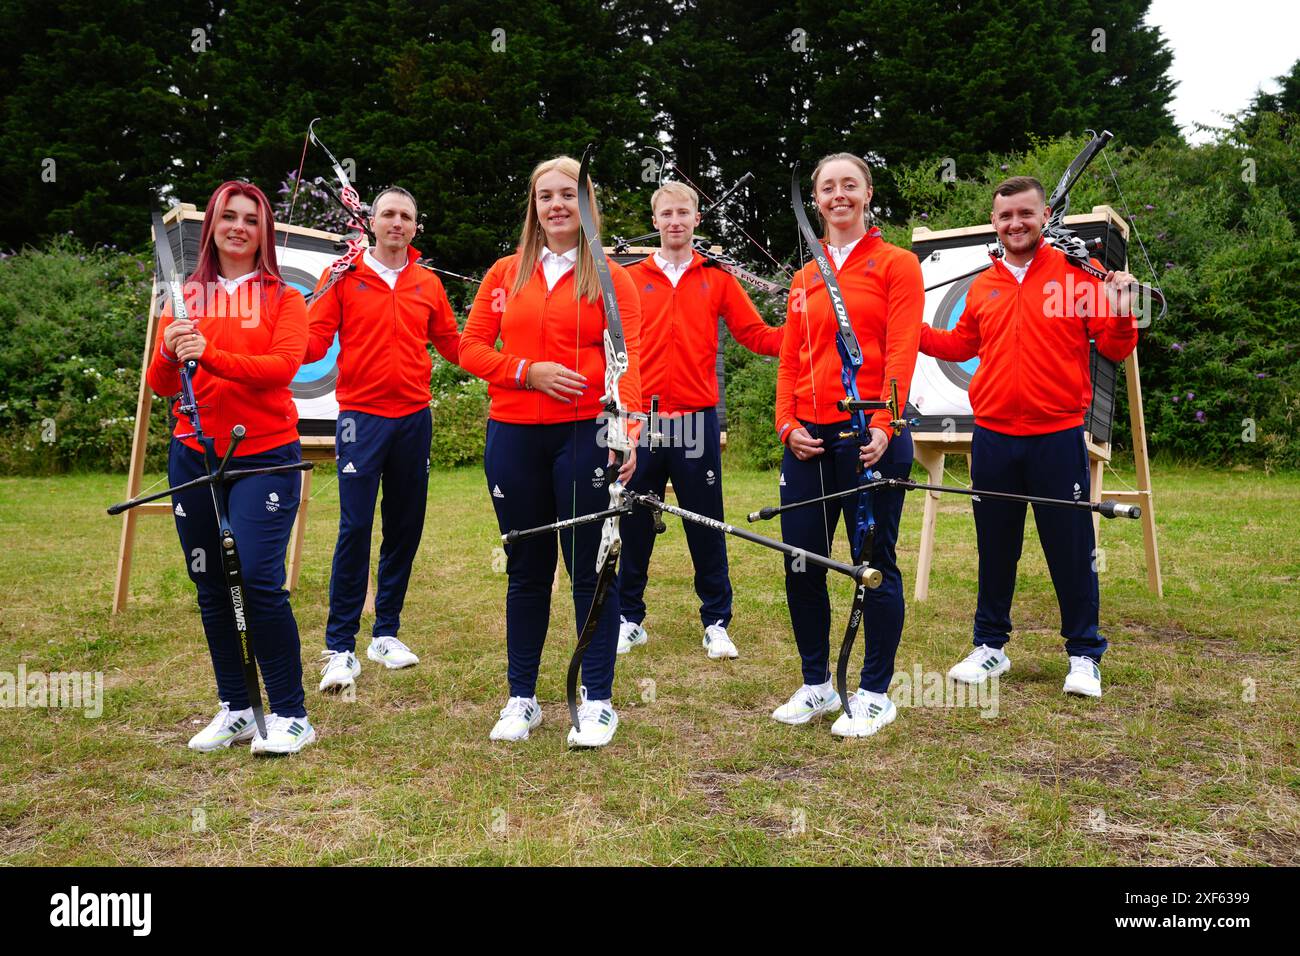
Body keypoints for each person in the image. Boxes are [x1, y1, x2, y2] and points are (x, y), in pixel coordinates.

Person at [921, 176, 1139, 699]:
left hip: (1057, 435)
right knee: (995, 547)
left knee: (1070, 547)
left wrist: (1126, 306)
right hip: (993, 436)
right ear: (995, 224)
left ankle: (1084, 654)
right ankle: (990, 646)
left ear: (1043, 218)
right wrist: (904, 325)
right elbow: (957, 344)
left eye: (1025, 214)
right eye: (1005, 216)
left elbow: (1113, 344)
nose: (1015, 223)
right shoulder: (983, 285)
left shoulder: (1075, 278)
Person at [459, 156, 642, 748]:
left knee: (590, 567)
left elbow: (629, 361)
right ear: (534, 207)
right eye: (546, 196)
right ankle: (522, 699)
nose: (557, 205)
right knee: (527, 569)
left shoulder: (614, 278)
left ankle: (597, 701)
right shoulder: (504, 273)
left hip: (584, 435)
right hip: (512, 435)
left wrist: (629, 434)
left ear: (587, 205)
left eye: (569, 194)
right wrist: (525, 371)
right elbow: (470, 349)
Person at [146, 181, 314, 754]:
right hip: (193, 451)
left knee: (259, 580)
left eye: (251, 219)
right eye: (229, 217)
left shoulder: (285, 298)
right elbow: (161, 383)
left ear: (264, 231)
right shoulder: (186, 295)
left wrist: (208, 351)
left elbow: (282, 366)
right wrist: (171, 349)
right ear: (212, 226)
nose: (239, 227)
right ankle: (237, 707)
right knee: (210, 582)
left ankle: (291, 713)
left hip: (264, 455)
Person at [773, 153, 923, 737]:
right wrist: (786, 424)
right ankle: (816, 684)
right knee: (802, 561)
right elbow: (790, 360)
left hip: (870, 437)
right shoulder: (805, 275)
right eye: (828, 187)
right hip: (807, 440)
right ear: (816, 200)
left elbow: (903, 348)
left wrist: (886, 422)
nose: (839, 195)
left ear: (867, 194)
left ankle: (874, 692)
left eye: (849, 185)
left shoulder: (897, 263)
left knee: (873, 564)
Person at [615, 181, 782, 660]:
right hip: (638, 419)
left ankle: (716, 621)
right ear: (655, 221)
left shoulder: (717, 276)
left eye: (683, 213)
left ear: (696, 220)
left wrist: (803, 326)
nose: (674, 221)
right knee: (632, 518)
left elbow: (755, 334)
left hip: (693, 418)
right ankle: (629, 618)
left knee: (704, 521)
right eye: (666, 213)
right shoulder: (630, 277)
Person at [306, 186, 460, 695]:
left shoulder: (428, 283)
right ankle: (340, 647)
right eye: (388, 214)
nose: (397, 222)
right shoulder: (343, 276)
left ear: (416, 227)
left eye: (406, 216)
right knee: (354, 527)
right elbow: (309, 343)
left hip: (414, 419)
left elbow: (454, 345)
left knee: (404, 527)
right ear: (371, 222)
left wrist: (517, 361)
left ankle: (386, 633)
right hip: (360, 419)